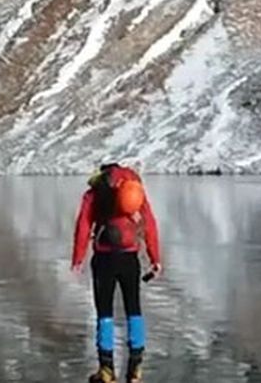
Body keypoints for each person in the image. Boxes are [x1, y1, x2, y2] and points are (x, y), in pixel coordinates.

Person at [72, 163, 162, 383]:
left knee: (104, 312)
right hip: (129, 258)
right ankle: (135, 370)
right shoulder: (134, 191)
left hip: (104, 259)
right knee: (134, 309)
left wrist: (78, 257)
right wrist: (155, 259)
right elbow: (149, 224)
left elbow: (83, 225)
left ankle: (106, 370)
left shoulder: (94, 193)